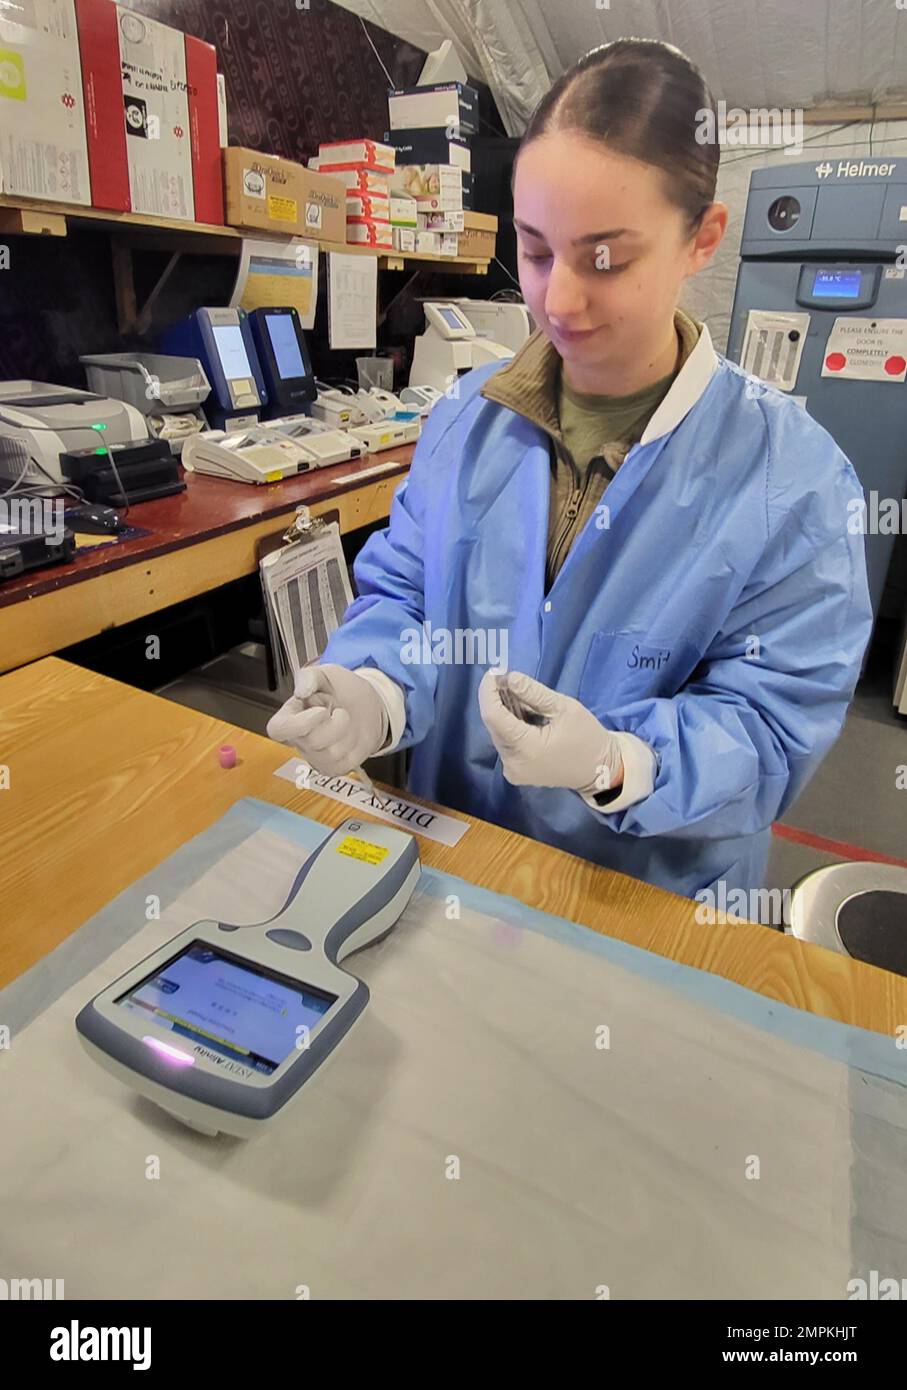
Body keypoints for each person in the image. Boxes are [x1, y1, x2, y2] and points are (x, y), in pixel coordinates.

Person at [267, 38, 872, 902]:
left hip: (639, 901)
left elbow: (772, 724)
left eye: (605, 258)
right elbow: (405, 596)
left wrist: (615, 761)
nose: (556, 301)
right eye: (537, 248)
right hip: (450, 860)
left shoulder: (794, 481)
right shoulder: (466, 418)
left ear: (701, 239)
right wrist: (372, 693)